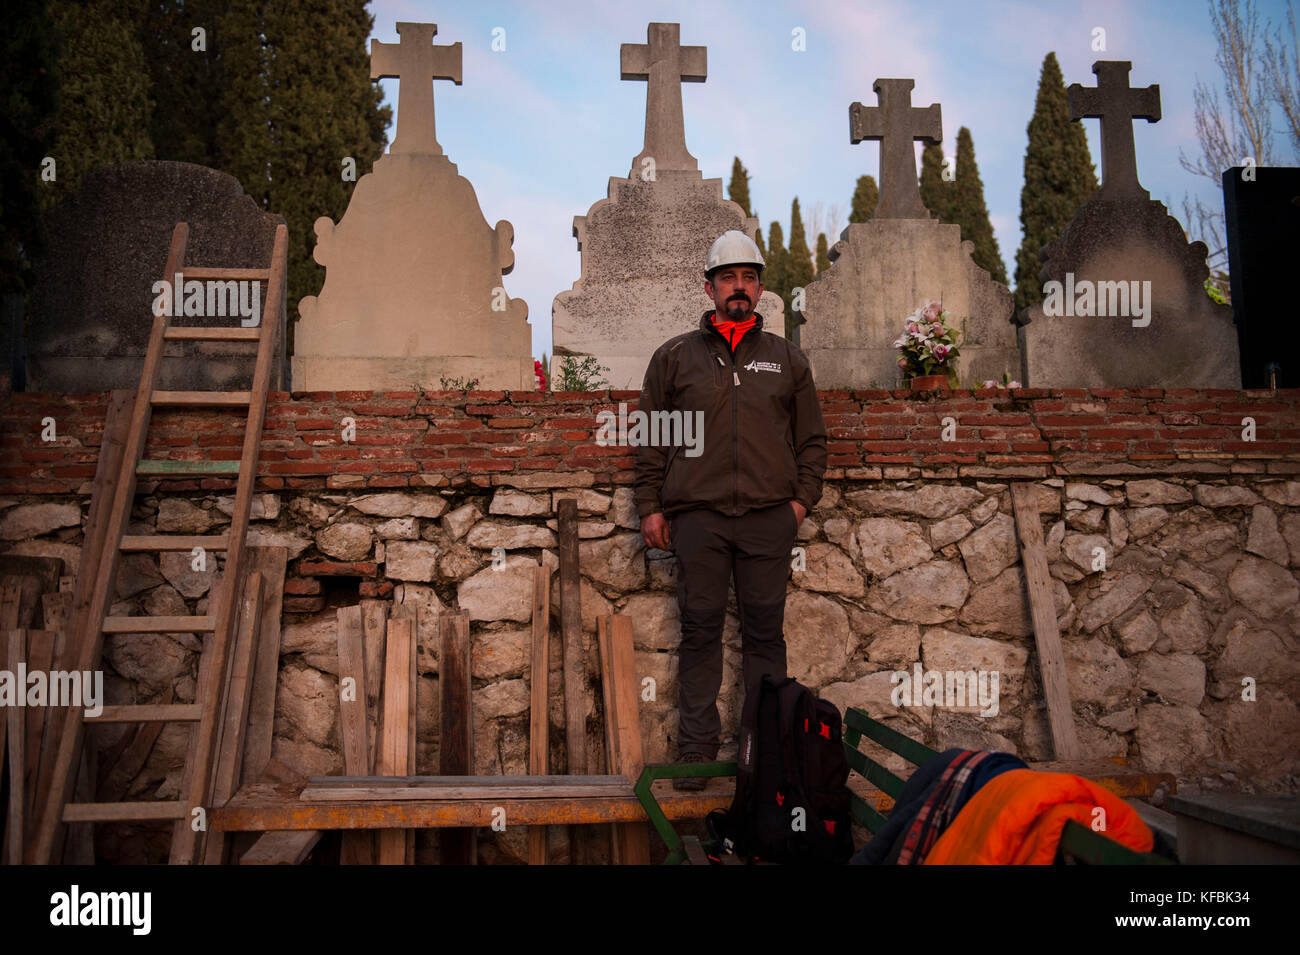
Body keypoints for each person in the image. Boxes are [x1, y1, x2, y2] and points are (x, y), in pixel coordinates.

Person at [634, 230, 827, 790]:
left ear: (760, 288)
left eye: (747, 278)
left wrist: (798, 503)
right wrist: (651, 505)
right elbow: (653, 437)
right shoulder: (674, 357)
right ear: (710, 287)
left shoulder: (786, 360)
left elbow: (812, 441)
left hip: (770, 517)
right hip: (698, 519)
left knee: (766, 637)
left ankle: (765, 753)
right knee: (699, 632)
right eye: (727, 278)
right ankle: (696, 750)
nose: (738, 288)